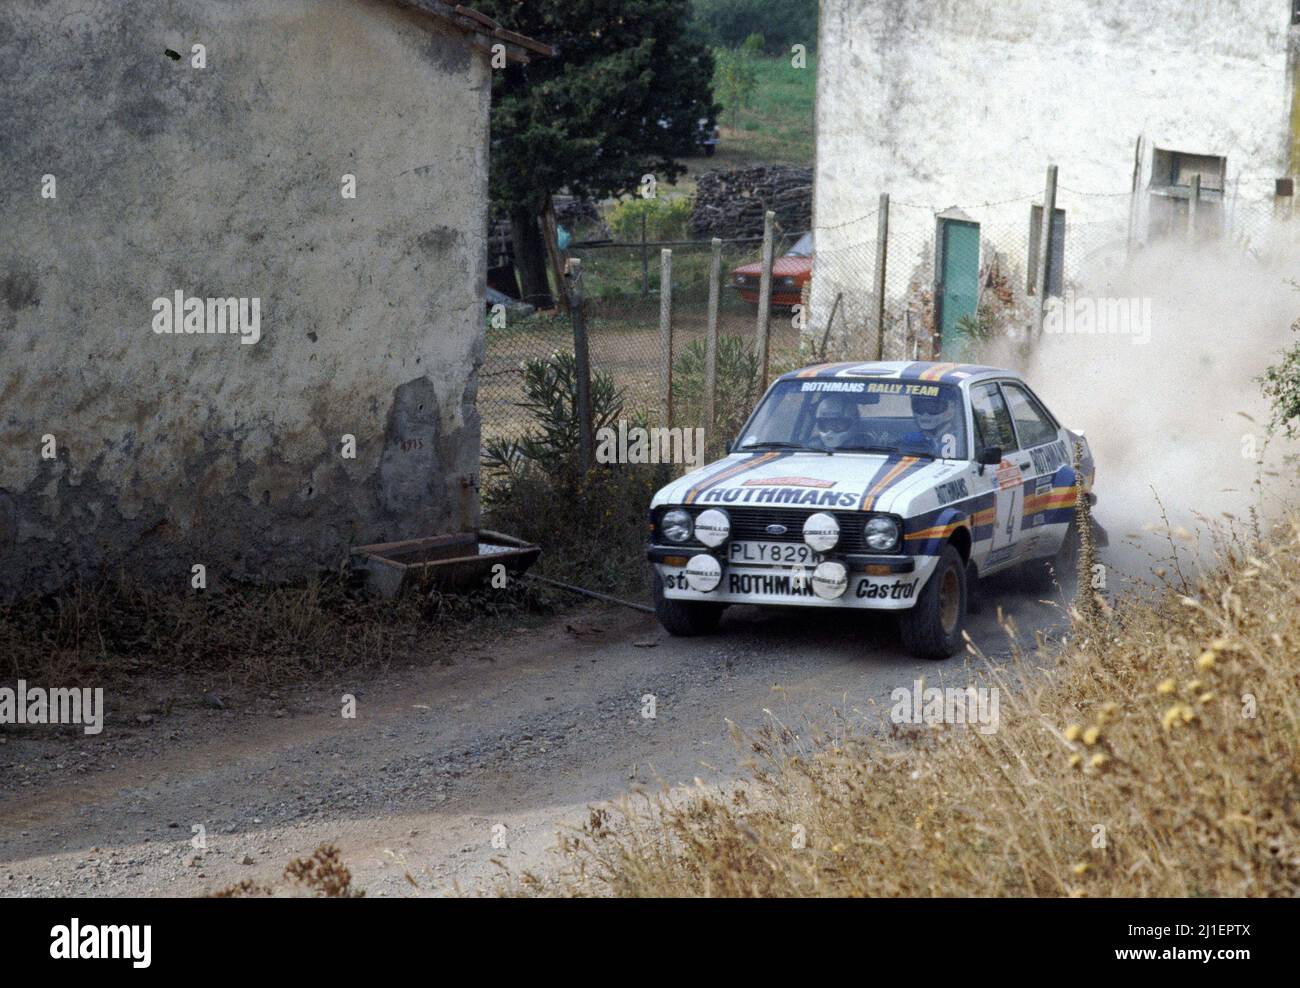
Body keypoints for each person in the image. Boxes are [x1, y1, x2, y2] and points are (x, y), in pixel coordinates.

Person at [901, 390, 961, 457]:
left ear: (952, 409)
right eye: (920, 407)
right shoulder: (909, 439)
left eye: (933, 407)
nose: (925, 414)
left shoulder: (963, 440)